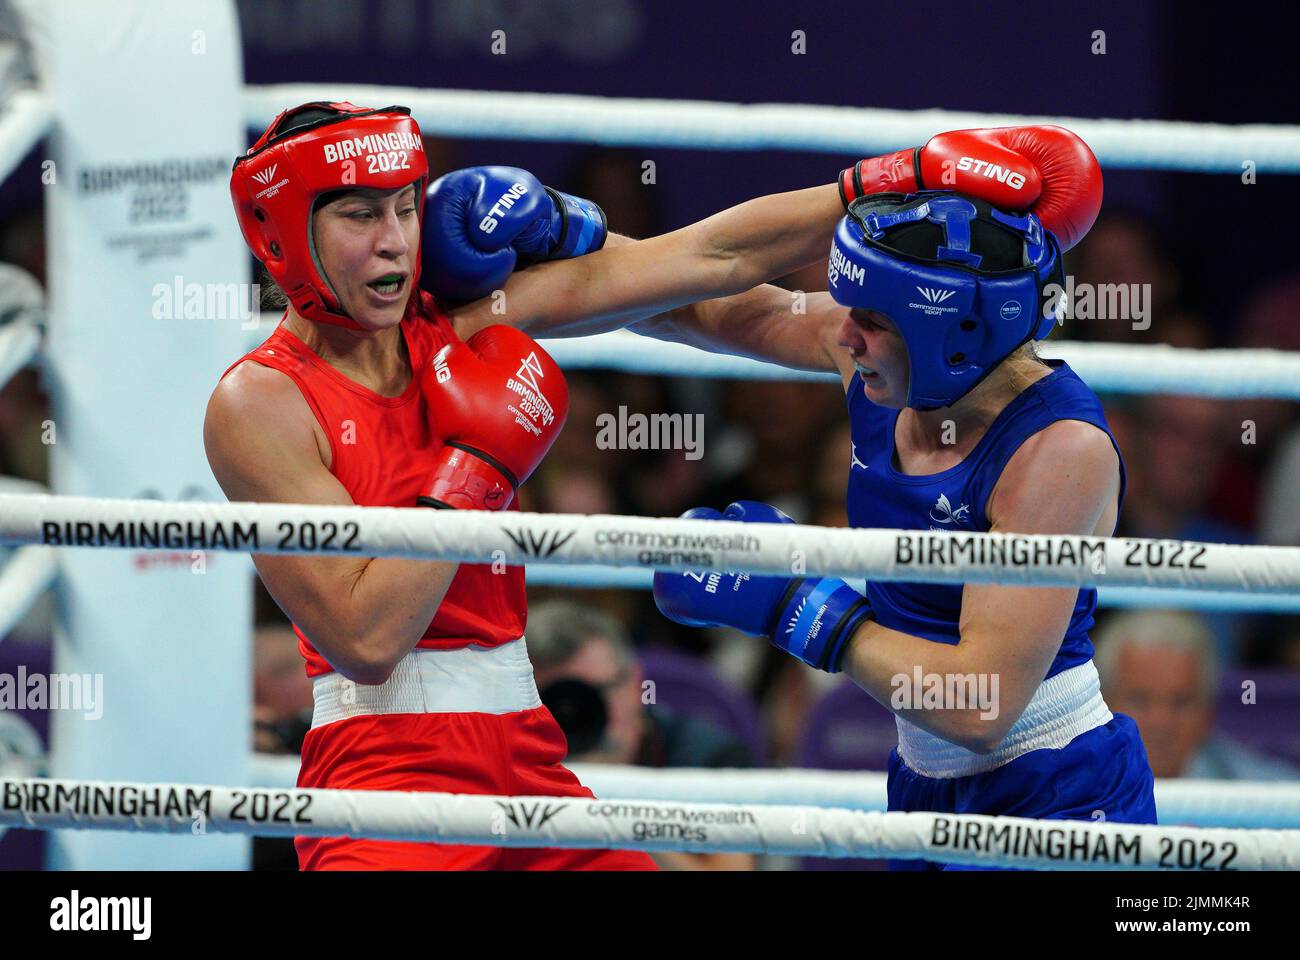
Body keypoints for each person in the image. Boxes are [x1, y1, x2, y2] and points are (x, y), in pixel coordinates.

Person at [206, 100, 904, 870]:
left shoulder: (459, 317)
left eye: (407, 207)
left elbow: (708, 258)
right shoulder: (260, 404)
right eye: (360, 215)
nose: (395, 242)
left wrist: (887, 183)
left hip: (526, 760)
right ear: (282, 233)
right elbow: (365, 639)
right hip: (385, 785)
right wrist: (478, 466)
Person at [639, 127, 1163, 869]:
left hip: (1059, 795)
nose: (843, 334)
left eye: (873, 320)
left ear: (949, 328)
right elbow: (689, 297)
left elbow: (981, 705)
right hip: (923, 779)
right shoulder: (880, 357)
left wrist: (796, 603)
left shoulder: (1059, 451)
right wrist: (566, 242)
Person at [526, 600, 756, 870]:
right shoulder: (514, 759)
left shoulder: (705, 755)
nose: (578, 712)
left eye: (593, 695)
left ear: (635, 684)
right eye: (560, 699)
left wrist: (604, 809)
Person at [1095, 609, 1298, 780]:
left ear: (1207, 712)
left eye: (1181, 702)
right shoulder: (1068, 791)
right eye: (1140, 700)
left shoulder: (1270, 796)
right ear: (1103, 705)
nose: (1161, 722)